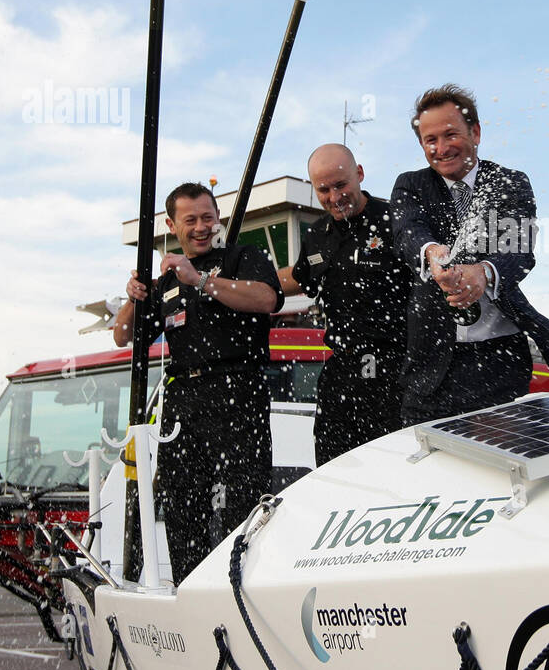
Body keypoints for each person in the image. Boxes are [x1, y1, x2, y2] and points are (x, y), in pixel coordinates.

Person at [113, 182, 284, 584]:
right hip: (183, 399)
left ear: (218, 217)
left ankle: (244, 587)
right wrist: (132, 296)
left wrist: (202, 280)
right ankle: (191, 588)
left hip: (237, 390)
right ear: (172, 224)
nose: (201, 227)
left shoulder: (243, 257)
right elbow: (123, 336)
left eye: (208, 217)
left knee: (246, 501)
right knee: (181, 504)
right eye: (190, 220)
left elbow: (266, 300)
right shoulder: (167, 282)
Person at [390, 83, 549, 425]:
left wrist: (483, 272)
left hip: (499, 361)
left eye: (450, 135)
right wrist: (433, 253)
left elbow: (519, 251)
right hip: (430, 364)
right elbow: (408, 232)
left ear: (475, 132)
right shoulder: (410, 185)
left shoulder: (509, 182)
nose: (440, 148)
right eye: (429, 140)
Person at [277, 144, 411, 465]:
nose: (334, 197)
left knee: (391, 467)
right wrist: (226, 282)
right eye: (323, 189)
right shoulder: (316, 234)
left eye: (341, 185)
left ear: (360, 174)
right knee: (333, 469)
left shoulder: (397, 221)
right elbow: (296, 277)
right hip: (341, 371)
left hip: (394, 371)